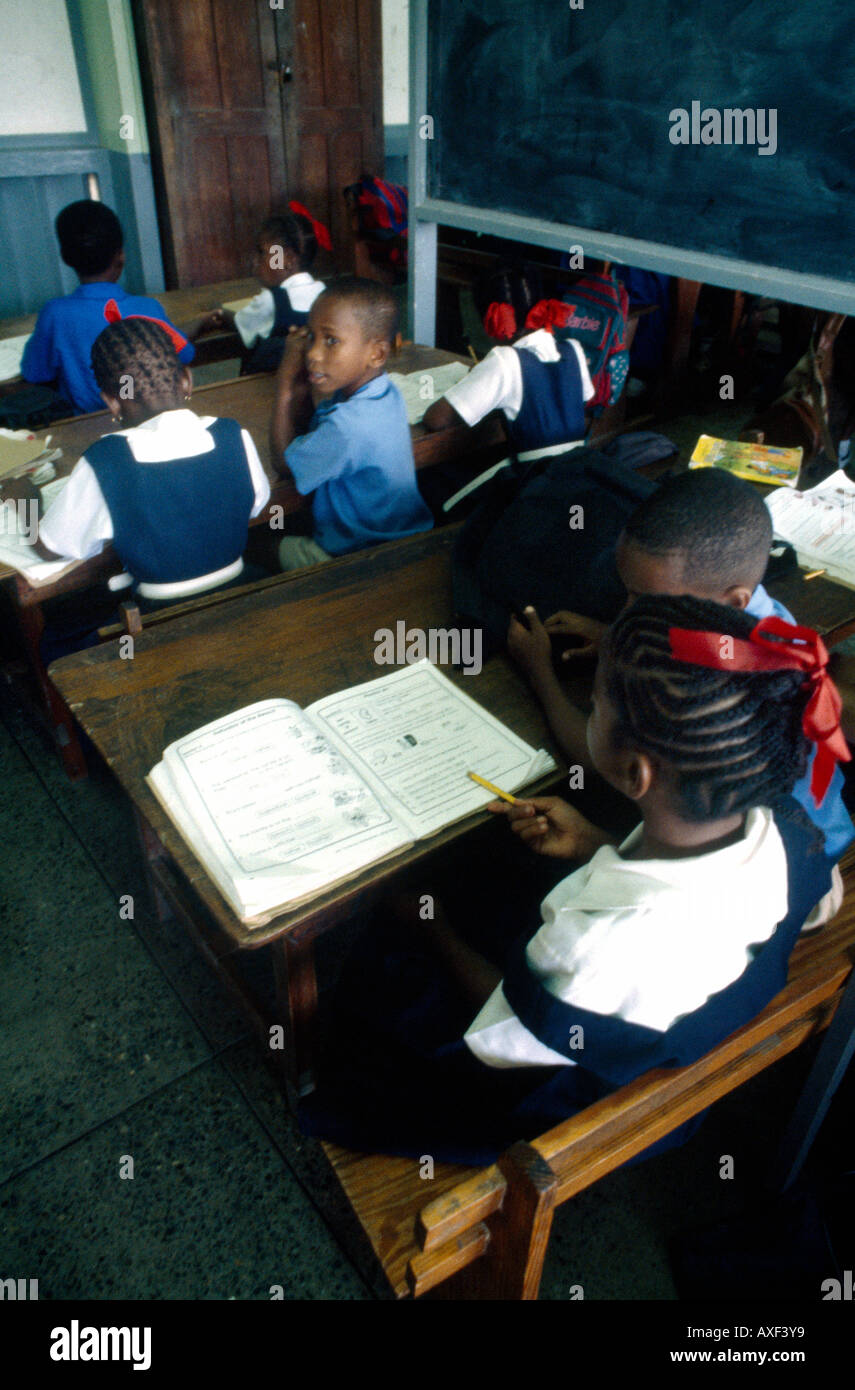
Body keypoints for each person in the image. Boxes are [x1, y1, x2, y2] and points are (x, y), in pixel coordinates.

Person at [297, 596, 844, 1163]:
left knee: (394, 956)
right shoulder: (791, 830)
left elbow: (503, 1038)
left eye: (597, 704)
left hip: (549, 1092)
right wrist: (596, 844)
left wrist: (421, 920)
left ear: (636, 772)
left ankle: (327, 1076)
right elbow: (777, 903)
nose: (591, 709)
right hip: (668, 1021)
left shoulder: (592, 948)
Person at [512, 468, 855, 862]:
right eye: (628, 592)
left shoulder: (715, 686)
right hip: (814, 829)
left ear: (732, 603)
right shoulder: (771, 625)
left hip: (784, 866)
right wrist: (619, 638)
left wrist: (539, 672)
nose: (628, 613)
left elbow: (604, 755)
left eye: (646, 601)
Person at [6, 318, 270, 614]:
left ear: (112, 402)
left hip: (159, 615)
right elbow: (255, 506)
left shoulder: (106, 461)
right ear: (187, 381)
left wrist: (24, 498)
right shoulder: (234, 435)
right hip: (244, 596)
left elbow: (50, 549)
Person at [270, 277, 433, 570]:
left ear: (377, 353)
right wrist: (306, 387)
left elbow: (284, 465)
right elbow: (312, 432)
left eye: (331, 341)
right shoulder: (383, 392)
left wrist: (284, 387)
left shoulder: (347, 427)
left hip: (358, 559)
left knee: (261, 545)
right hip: (399, 541)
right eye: (311, 337)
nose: (312, 354)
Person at [20, 200, 198, 416]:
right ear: (120, 255)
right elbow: (185, 353)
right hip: (143, 418)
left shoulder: (54, 314)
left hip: (85, 424)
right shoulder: (147, 307)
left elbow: (35, 373)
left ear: (66, 258)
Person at [423, 265, 596, 460]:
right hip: (578, 470)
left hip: (535, 480)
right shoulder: (573, 349)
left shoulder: (505, 360)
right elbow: (578, 398)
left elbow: (436, 420)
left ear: (492, 321)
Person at [213, 210, 326, 374]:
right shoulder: (323, 292)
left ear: (288, 258)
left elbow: (240, 322)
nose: (256, 261)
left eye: (263, 253)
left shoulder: (270, 300)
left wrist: (220, 314)